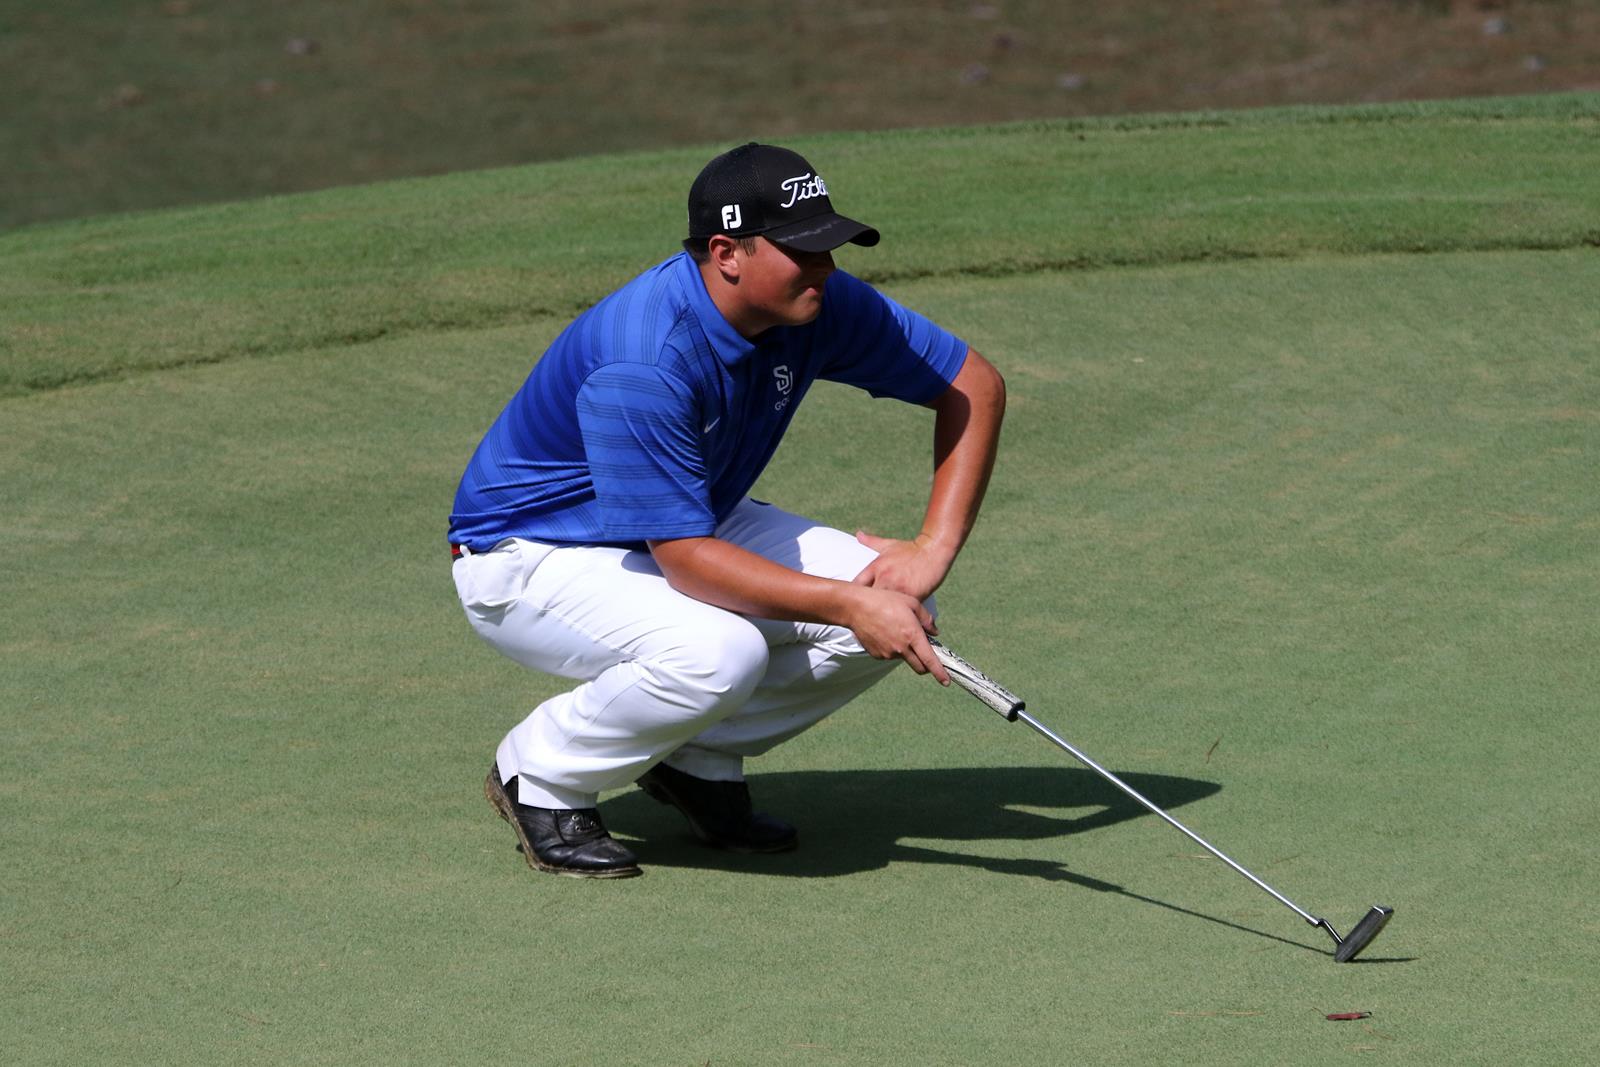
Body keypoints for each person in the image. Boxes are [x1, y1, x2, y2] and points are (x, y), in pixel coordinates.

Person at [448, 142, 1006, 878]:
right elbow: (686, 562)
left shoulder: (819, 304)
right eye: (802, 250)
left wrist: (932, 548)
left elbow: (972, 384)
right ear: (726, 253)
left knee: (898, 596)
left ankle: (694, 761)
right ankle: (541, 773)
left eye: (828, 246)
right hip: (531, 552)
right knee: (719, 653)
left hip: (681, 517)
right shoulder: (644, 358)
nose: (824, 267)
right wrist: (847, 604)